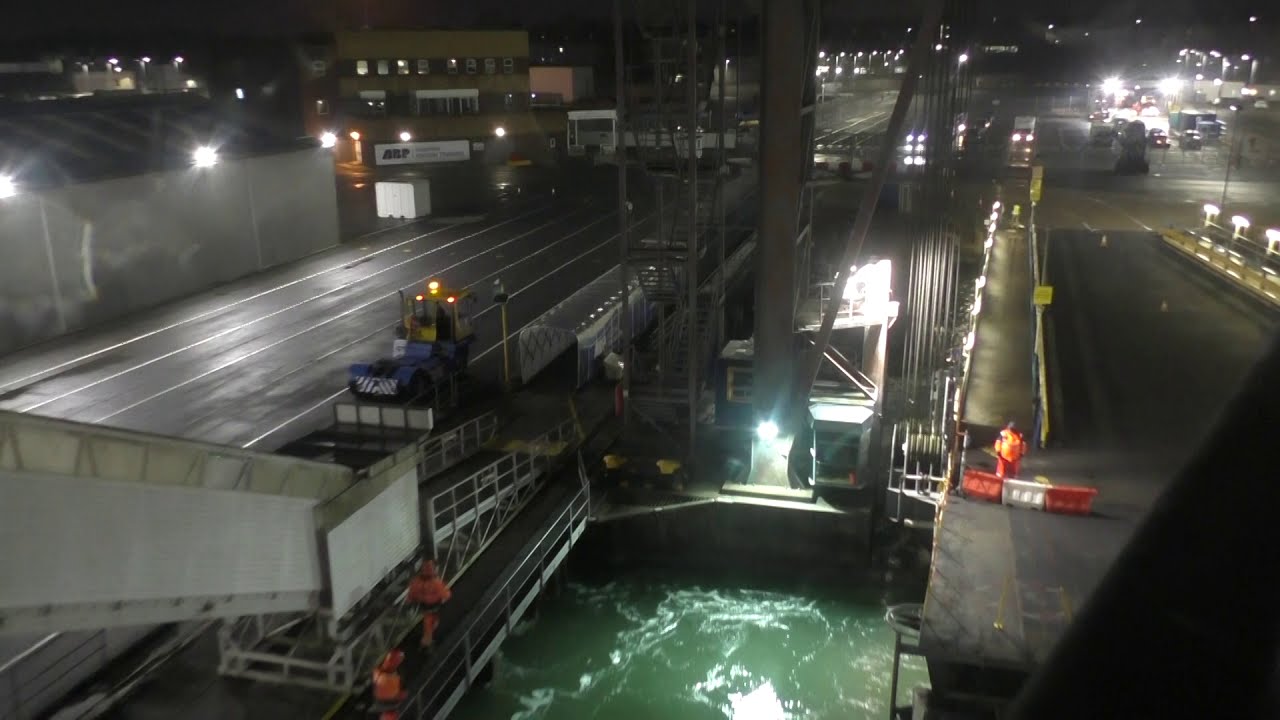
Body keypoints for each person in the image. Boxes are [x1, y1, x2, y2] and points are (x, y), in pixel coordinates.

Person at [406, 559, 452, 650]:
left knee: (430, 624)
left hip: (424, 607)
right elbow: (447, 595)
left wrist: (410, 601)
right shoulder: (436, 583)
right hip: (434, 607)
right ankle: (426, 644)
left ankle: (426, 642)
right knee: (431, 624)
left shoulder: (416, 582)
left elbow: (411, 594)